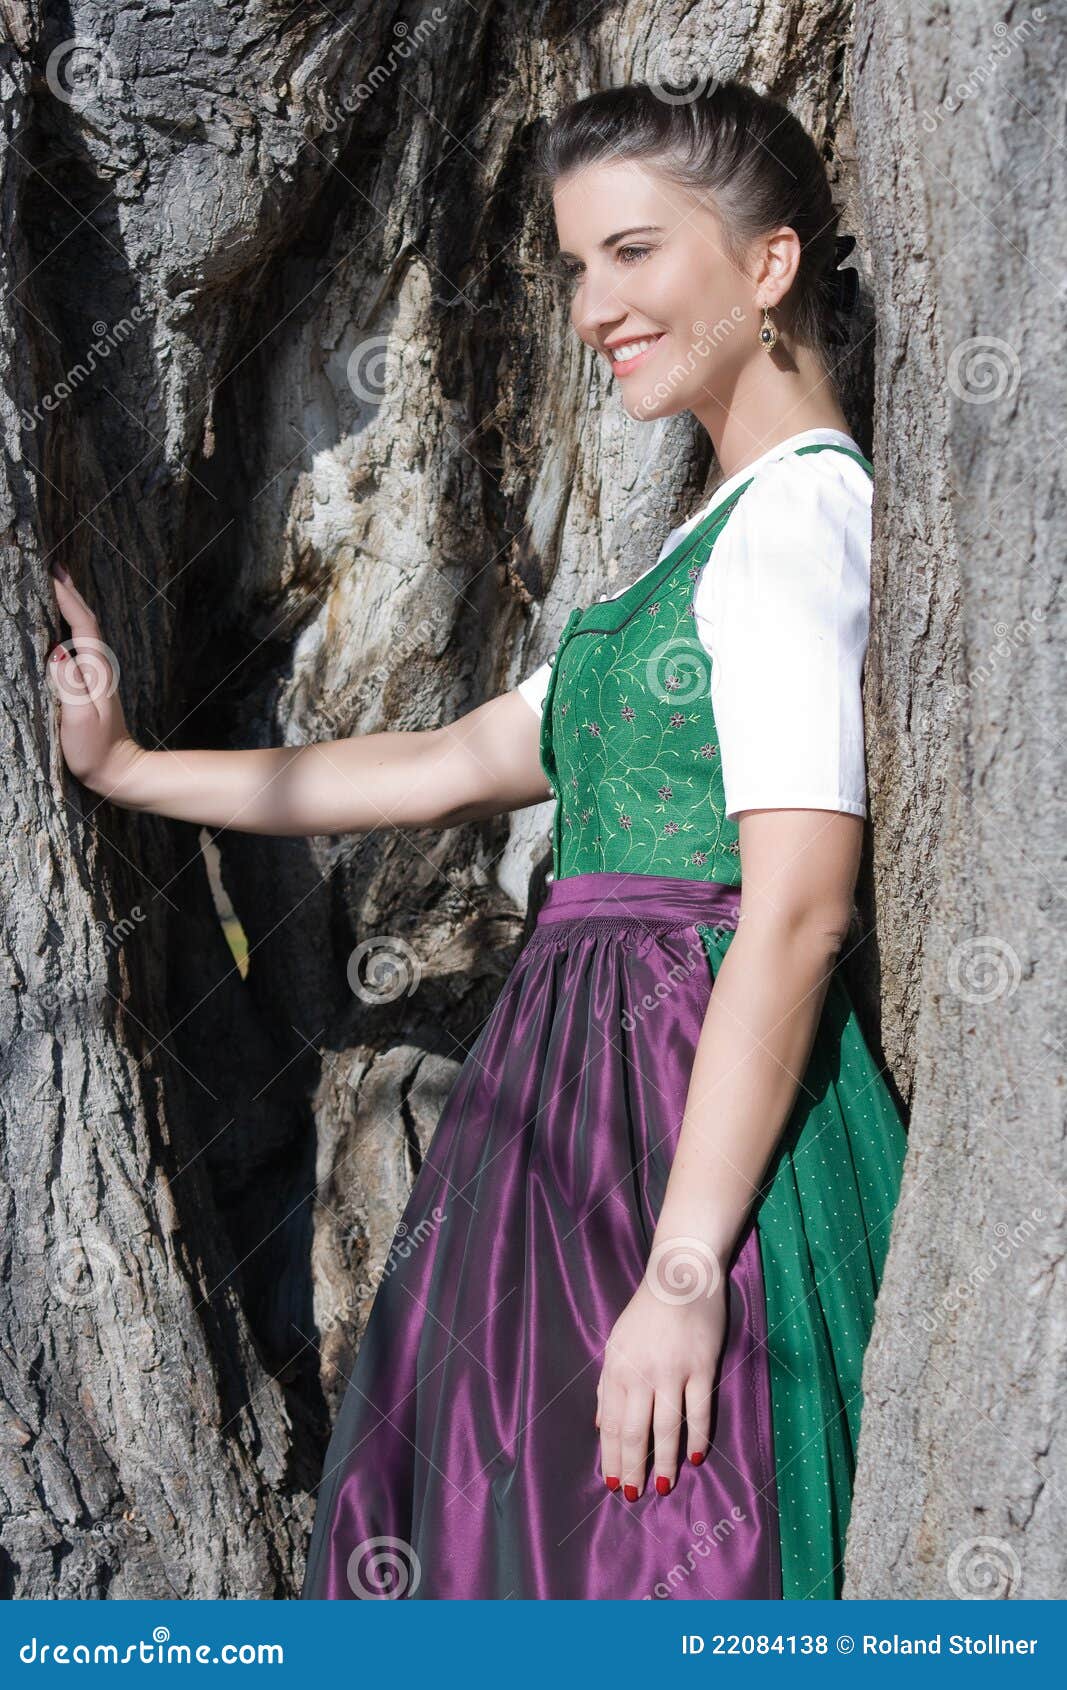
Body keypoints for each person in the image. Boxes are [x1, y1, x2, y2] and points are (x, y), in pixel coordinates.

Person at [48, 78, 907, 1601]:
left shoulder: (796, 518)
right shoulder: (712, 533)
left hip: (683, 1125)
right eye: (578, 267)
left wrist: (687, 1269)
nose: (593, 306)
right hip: (589, 1104)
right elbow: (444, 761)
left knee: (649, 1545)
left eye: (634, 253)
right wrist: (127, 768)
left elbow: (794, 910)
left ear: (769, 267)